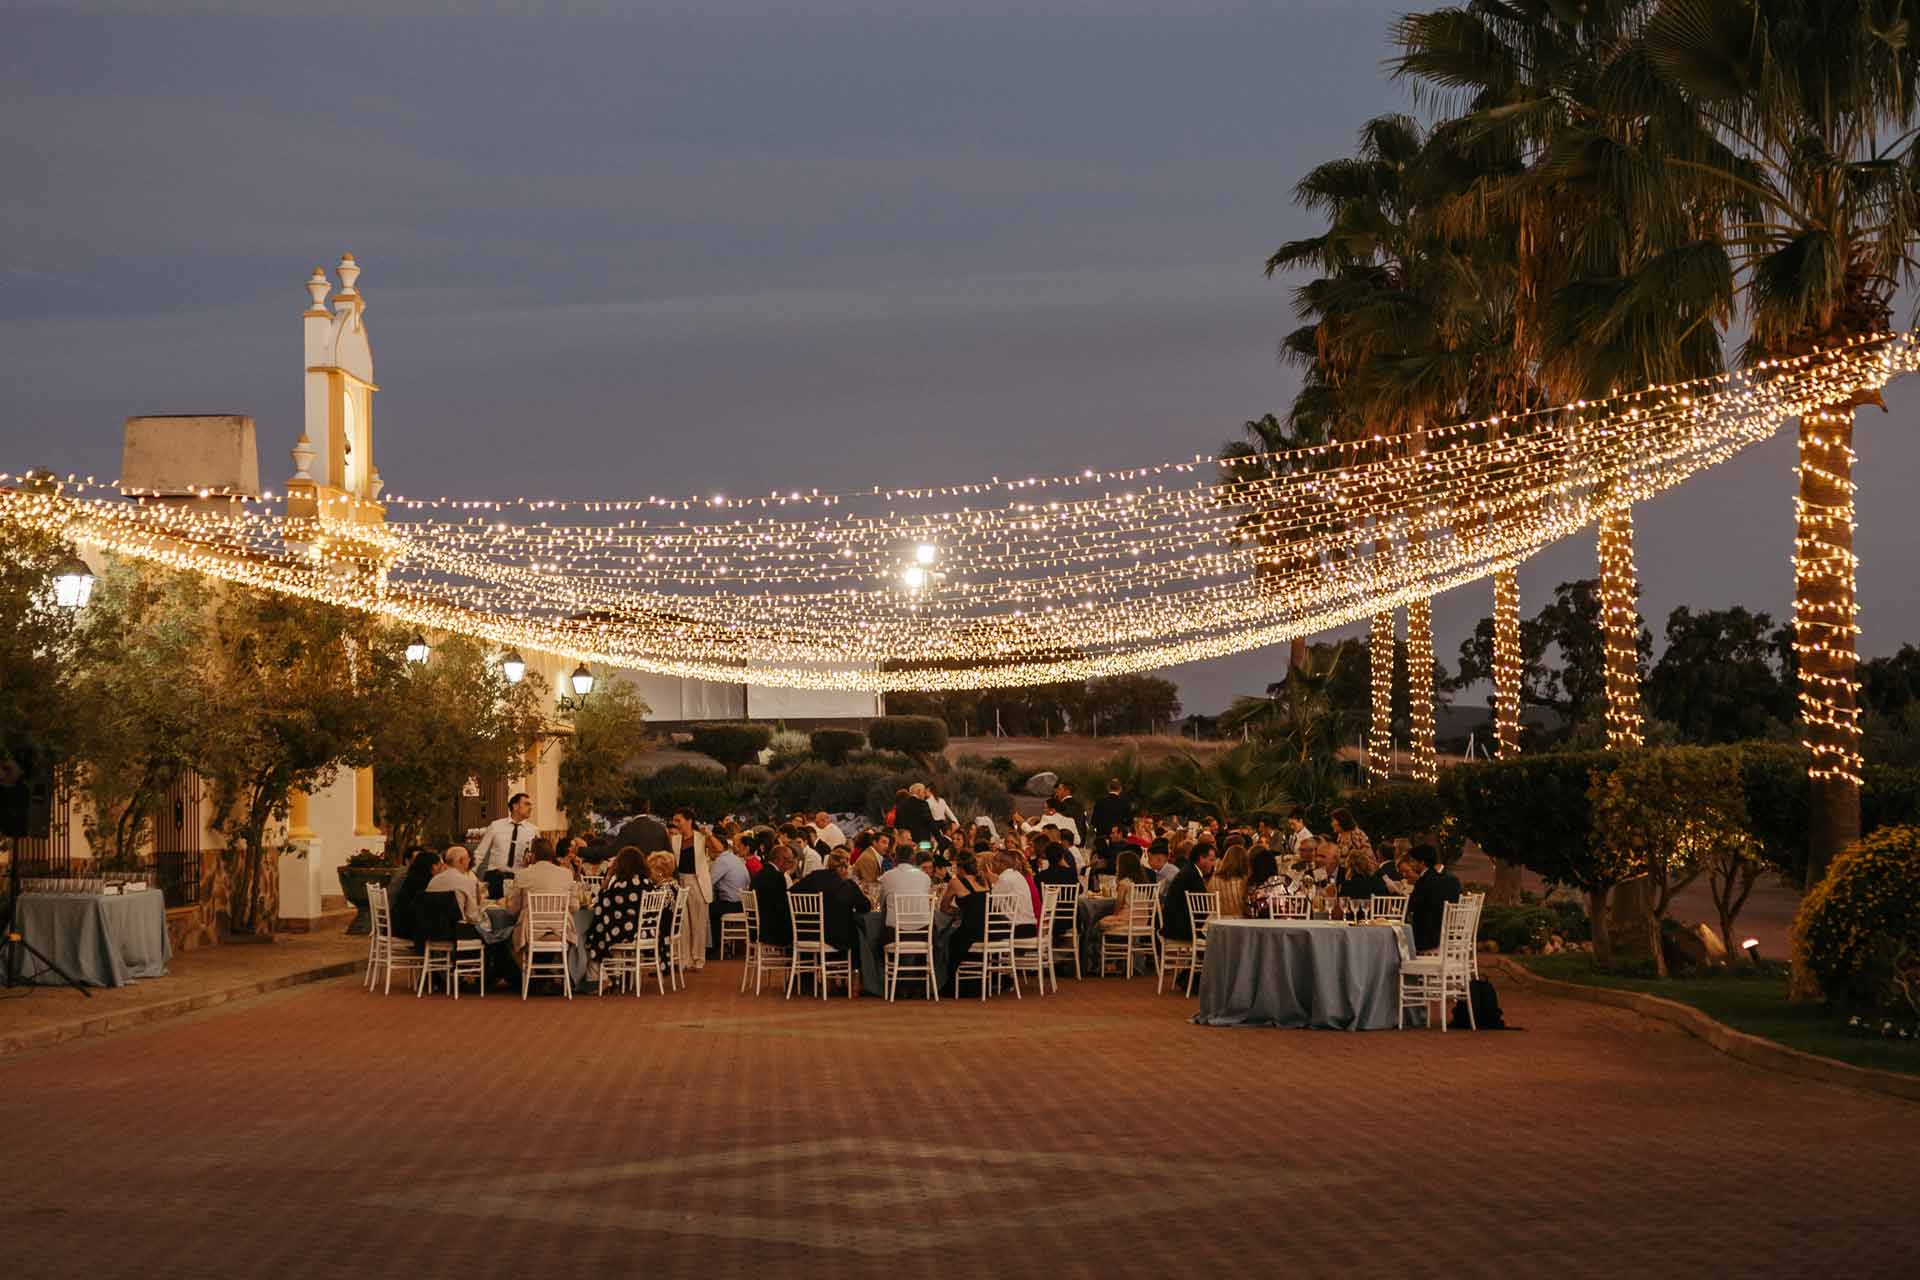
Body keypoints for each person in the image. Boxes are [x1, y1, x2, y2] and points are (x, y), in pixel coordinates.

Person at [793, 850, 870, 956]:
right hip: (836, 938)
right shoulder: (848, 885)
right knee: (858, 930)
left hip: (806, 933)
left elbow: (791, 892)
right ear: (846, 866)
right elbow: (865, 907)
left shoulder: (813, 877)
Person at [508, 838, 576, 956]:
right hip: (560, 930)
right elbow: (574, 906)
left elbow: (513, 909)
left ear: (533, 855)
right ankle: (557, 965)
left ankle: (526, 966)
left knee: (507, 937)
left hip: (530, 931)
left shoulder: (522, 874)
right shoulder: (566, 874)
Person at [941, 849, 995, 994]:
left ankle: (949, 981)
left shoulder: (955, 882)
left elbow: (943, 907)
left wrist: (958, 912)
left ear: (959, 867)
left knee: (946, 939)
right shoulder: (984, 879)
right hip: (989, 931)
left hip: (971, 932)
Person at [669, 809, 717, 970]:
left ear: (689, 821)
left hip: (697, 882)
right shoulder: (674, 839)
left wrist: (709, 835)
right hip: (680, 881)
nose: (675, 824)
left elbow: (718, 850)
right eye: (674, 821)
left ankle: (698, 958)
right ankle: (684, 959)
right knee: (682, 922)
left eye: (678, 820)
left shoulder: (701, 837)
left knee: (698, 922)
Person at [588, 847, 653, 964]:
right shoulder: (648, 883)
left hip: (627, 931)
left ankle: (604, 967)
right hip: (646, 930)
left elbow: (602, 900)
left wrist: (609, 876)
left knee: (599, 927)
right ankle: (619, 969)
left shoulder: (623, 884)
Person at [471, 793, 537, 898]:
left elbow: (536, 858)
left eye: (531, 805)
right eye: (527, 804)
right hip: (495, 877)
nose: (531, 808)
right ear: (515, 806)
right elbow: (480, 852)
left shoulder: (533, 830)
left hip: (519, 878)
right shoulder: (496, 826)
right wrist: (470, 872)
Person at [1405, 843, 1462, 952]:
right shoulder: (1447, 880)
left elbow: (1412, 906)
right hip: (1444, 933)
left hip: (1426, 937)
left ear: (1422, 862)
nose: (1411, 865)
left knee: (1398, 940)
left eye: (1413, 861)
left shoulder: (1424, 881)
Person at [1158, 842, 1217, 944]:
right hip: (1182, 930)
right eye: (1211, 860)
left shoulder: (1189, 870)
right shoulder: (1192, 876)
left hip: (1175, 926)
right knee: (1219, 934)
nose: (1213, 864)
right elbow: (1202, 910)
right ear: (1201, 859)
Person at [707, 831, 750, 959]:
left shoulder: (722, 861)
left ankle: (714, 947)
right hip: (742, 902)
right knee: (713, 907)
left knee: (707, 910)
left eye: (708, 847)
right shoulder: (732, 857)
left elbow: (708, 882)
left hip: (734, 904)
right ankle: (719, 945)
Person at [390, 848, 444, 944]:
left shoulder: (412, 878)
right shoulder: (425, 883)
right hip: (407, 929)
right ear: (432, 866)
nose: (441, 869)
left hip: (397, 925)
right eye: (439, 865)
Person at [876, 844, 933, 933]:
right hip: (922, 931)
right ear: (913, 859)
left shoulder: (886, 876)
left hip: (894, 931)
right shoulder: (925, 877)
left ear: (896, 859)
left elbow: (881, 903)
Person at [1328, 807, 1380, 900]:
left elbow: (1365, 856)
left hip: (1356, 875)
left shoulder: (1355, 834)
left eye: (1333, 820)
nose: (1331, 824)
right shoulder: (1340, 836)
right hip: (1343, 872)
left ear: (1341, 821)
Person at [752, 841, 795, 949]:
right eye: (790, 862)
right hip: (770, 931)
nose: (790, 866)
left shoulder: (760, 873)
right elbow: (783, 906)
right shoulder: (777, 877)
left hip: (757, 927)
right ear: (781, 860)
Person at [426, 845, 484, 925]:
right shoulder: (466, 881)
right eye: (468, 858)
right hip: (458, 928)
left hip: (432, 926)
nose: (469, 861)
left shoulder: (433, 880)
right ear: (462, 861)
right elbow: (472, 916)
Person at [1207, 843, 1251, 920]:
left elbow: (1209, 901)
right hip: (1238, 921)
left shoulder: (1213, 879)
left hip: (1214, 920)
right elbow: (1247, 906)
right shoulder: (1244, 880)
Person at [1090, 779, 1131, 845]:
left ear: (1108, 788)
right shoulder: (1125, 803)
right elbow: (1128, 822)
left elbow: (1093, 821)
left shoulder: (1100, 801)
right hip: (1118, 839)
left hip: (1102, 837)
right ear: (1120, 789)